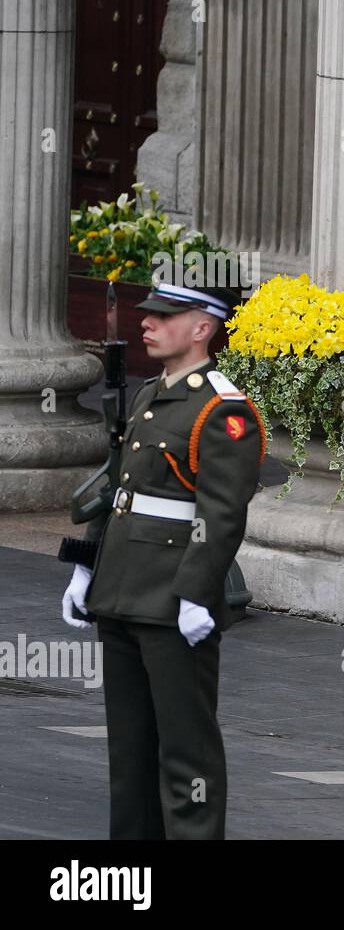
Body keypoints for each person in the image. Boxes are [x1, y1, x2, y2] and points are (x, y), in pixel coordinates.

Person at [58, 277, 264, 839]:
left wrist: (197, 592)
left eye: (161, 315)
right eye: (146, 313)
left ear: (202, 328)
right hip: (122, 589)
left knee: (185, 755)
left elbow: (221, 514)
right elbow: (114, 490)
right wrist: (85, 567)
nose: (145, 322)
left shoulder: (224, 410)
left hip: (174, 600)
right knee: (129, 757)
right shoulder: (151, 396)